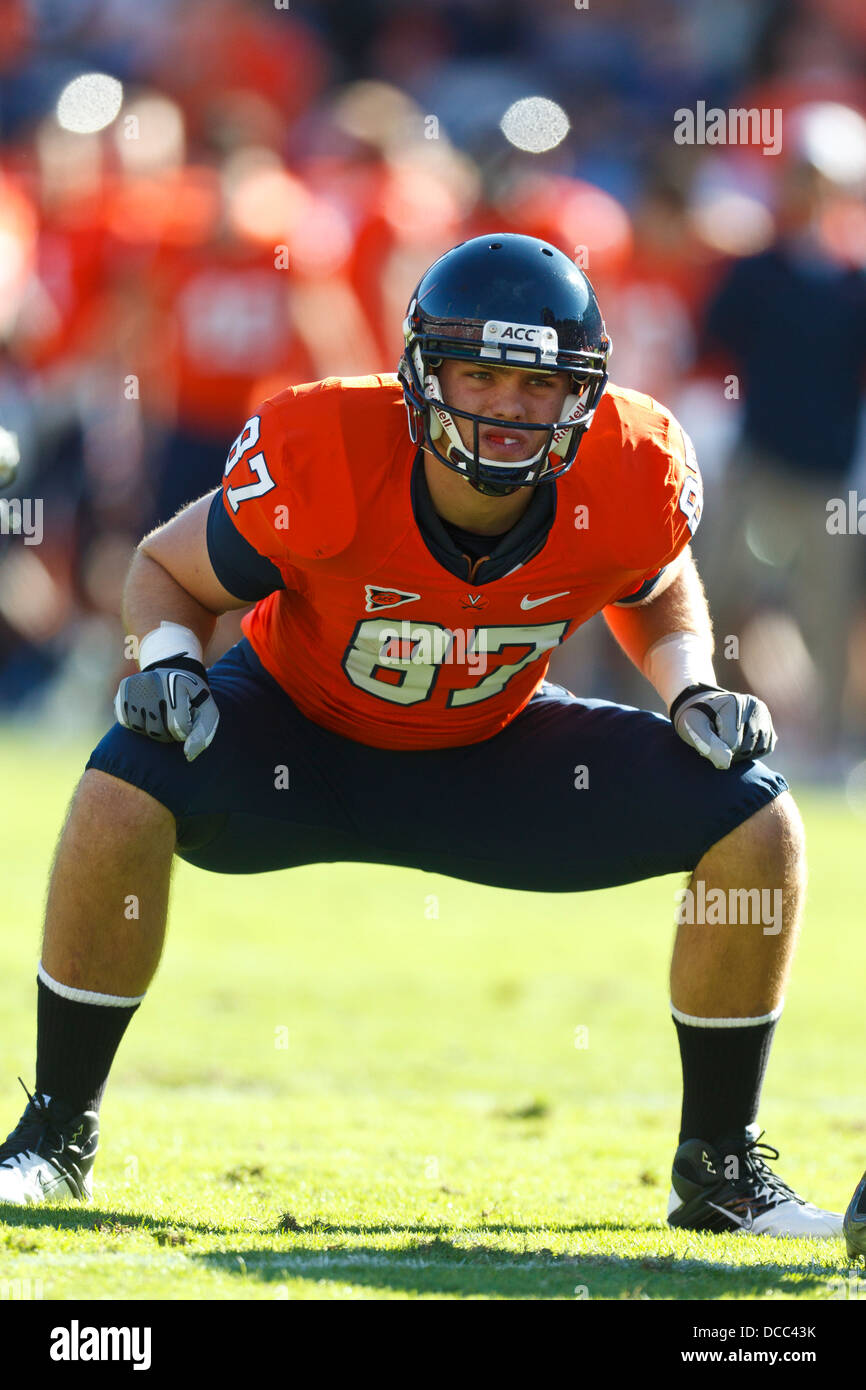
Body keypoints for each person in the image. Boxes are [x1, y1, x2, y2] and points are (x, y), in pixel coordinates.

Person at [0, 234, 842, 1236]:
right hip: (294, 742)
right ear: (419, 378)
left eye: (536, 384)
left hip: (491, 751)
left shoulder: (629, 462)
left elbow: (652, 583)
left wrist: (690, 685)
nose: (503, 408)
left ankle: (719, 1169)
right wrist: (169, 664)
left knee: (755, 816)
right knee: (120, 780)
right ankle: (54, 1136)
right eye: (477, 376)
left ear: (581, 396)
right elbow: (164, 567)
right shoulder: (329, 445)